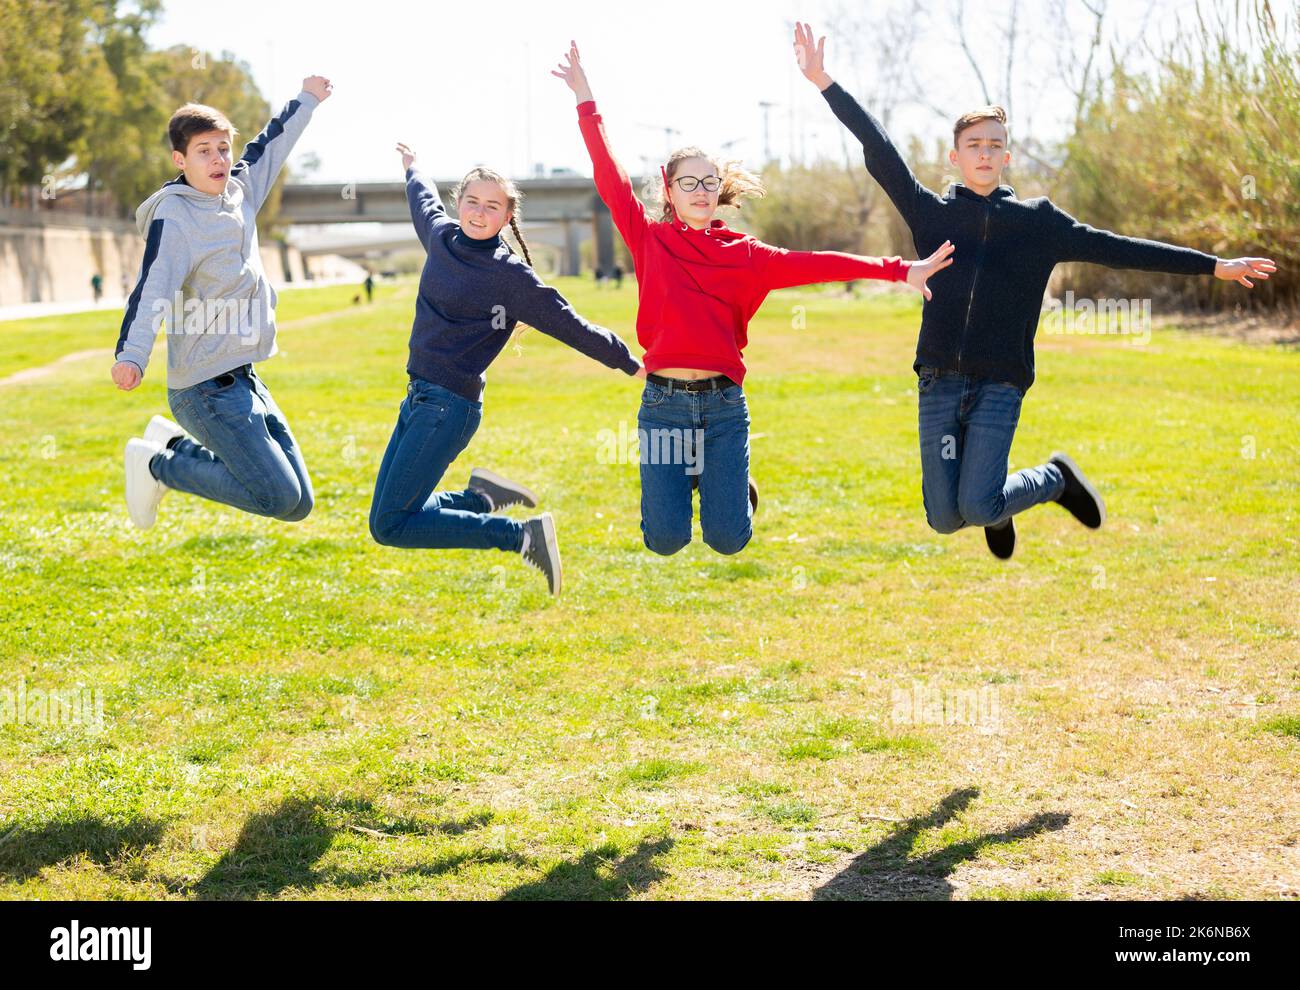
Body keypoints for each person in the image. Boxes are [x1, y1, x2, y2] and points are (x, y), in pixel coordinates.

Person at [794, 22, 1277, 559]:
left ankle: (1052, 479)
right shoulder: (931, 214)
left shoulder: (1039, 223)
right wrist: (824, 82)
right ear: (954, 156)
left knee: (976, 506)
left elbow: (1121, 247)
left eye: (994, 146)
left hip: (1001, 380)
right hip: (940, 379)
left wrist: (1214, 266)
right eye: (973, 145)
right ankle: (998, 502)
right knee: (942, 517)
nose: (984, 153)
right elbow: (880, 150)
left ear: (1008, 157)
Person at [553, 40, 954, 557]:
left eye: (709, 181)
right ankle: (689, 483)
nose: (700, 190)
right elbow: (608, 173)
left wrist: (901, 269)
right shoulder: (648, 237)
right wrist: (585, 97)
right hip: (662, 405)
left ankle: (732, 488)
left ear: (719, 190)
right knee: (665, 540)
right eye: (688, 181)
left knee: (728, 539)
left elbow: (820, 263)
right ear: (668, 189)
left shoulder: (746, 254)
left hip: (723, 405)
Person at [368, 142, 646, 596]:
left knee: (392, 524)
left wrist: (629, 363)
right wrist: (412, 165)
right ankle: (483, 498)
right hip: (418, 397)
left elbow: (568, 324)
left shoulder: (508, 275)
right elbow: (422, 199)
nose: (479, 213)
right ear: (459, 203)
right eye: (472, 202)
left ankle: (521, 536)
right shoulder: (440, 237)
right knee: (392, 514)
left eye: (491, 206)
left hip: (448, 407)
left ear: (506, 215)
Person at [112, 76, 333, 529]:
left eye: (222, 148)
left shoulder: (240, 189)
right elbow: (152, 289)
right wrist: (131, 356)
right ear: (180, 159)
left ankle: (172, 447)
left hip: (245, 381)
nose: (218, 159)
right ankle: (158, 465)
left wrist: (308, 98)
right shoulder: (175, 217)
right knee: (275, 496)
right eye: (203, 151)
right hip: (203, 388)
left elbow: (272, 144)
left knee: (298, 503)